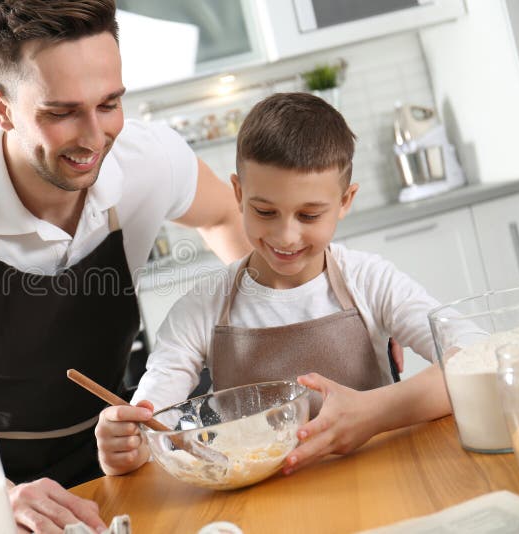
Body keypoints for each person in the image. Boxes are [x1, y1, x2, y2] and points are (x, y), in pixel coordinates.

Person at [0, 0, 250, 532]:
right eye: (61, 112)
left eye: (109, 103)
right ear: (1, 108)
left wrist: (297, 317)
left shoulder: (148, 159)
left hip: (94, 473)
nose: (93, 137)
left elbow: (227, 215)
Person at [96, 92, 452, 478]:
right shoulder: (203, 307)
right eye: (265, 212)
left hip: (379, 480)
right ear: (238, 194)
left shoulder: (370, 281)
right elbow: (151, 416)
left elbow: (473, 359)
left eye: (309, 215)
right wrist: (129, 442)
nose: (286, 236)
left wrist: (374, 412)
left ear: (345, 201)